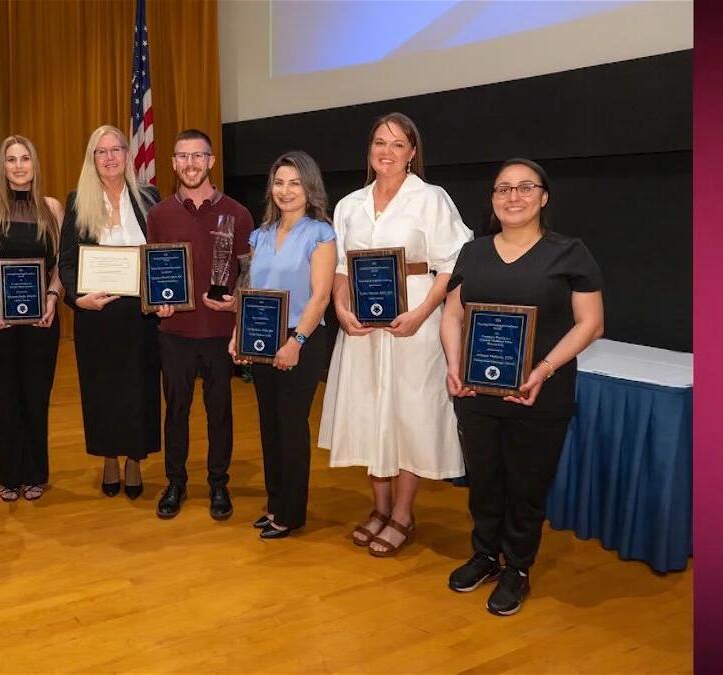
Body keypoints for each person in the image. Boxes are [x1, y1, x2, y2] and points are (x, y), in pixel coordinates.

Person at [441, 158, 604, 616]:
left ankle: (516, 566)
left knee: (527, 485)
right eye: (503, 189)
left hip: (540, 393)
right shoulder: (473, 252)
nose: (513, 197)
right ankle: (485, 555)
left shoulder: (569, 253)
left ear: (543, 197)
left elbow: (591, 323)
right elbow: (452, 314)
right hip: (476, 393)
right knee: (484, 480)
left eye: (525, 187)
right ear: (492, 199)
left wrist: (544, 369)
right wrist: (454, 365)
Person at [318, 112, 471, 556]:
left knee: (410, 413)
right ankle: (379, 508)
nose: (387, 152)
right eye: (380, 143)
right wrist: (340, 307)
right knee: (370, 411)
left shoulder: (431, 199)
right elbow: (340, 267)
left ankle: (403, 514)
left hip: (413, 322)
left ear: (412, 152)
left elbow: (453, 264)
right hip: (362, 325)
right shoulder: (350, 204)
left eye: (398, 144)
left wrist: (423, 313)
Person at [147, 129, 253, 521]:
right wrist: (157, 302)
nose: (190, 164)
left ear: (210, 161)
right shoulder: (158, 215)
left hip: (220, 332)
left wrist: (237, 301)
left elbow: (249, 272)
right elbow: (154, 269)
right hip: (174, 333)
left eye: (198, 156)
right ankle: (175, 482)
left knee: (219, 412)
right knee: (176, 410)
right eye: (183, 157)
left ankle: (218, 484)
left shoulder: (238, 213)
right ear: (173, 163)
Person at [230, 151, 336, 539]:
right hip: (262, 337)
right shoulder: (260, 235)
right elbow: (250, 290)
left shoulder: (321, 233)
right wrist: (238, 334)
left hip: (301, 339)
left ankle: (291, 513)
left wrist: (296, 341)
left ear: (309, 188)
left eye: (294, 183)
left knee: (291, 425)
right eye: (279, 182)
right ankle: (275, 503)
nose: (285, 191)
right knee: (269, 424)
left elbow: (320, 297)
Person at [58, 125, 161, 498]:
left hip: (141, 317)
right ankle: (109, 459)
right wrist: (77, 299)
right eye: (101, 151)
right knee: (102, 391)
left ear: (127, 154)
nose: (109, 157)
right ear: (92, 158)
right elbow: (66, 262)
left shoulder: (149, 197)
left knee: (139, 390)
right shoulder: (77, 201)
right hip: (96, 315)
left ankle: (135, 459)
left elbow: (162, 254)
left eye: (115, 149)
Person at [0, 135, 64, 502]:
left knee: (35, 398)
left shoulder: (52, 208)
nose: (19, 166)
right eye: (11, 159)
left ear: (35, 164)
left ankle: (35, 473)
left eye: (25, 158)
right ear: (2, 166)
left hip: (42, 321)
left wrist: (52, 296)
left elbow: (62, 264)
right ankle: (9, 475)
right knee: (3, 399)